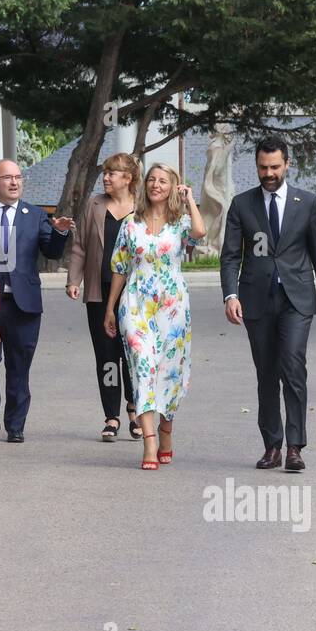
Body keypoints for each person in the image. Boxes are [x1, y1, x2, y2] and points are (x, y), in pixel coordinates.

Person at [220, 136, 316, 472]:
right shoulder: (242, 204)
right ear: (256, 167)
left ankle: (295, 447)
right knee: (267, 373)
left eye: (274, 167)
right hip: (256, 302)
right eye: (263, 167)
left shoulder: (308, 202)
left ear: (286, 164)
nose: (269, 173)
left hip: (296, 301)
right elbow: (230, 256)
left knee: (293, 366)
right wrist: (230, 295)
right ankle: (272, 446)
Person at [105, 163, 206, 470]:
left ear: (173, 186)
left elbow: (201, 233)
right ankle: (149, 441)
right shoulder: (131, 223)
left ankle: (166, 431)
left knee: (169, 373)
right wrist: (110, 307)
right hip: (136, 304)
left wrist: (188, 199)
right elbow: (120, 267)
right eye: (151, 179)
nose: (156, 185)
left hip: (172, 310)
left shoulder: (180, 223)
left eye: (163, 181)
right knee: (142, 365)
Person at [0, 159, 73, 444]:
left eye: (18, 177)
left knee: (19, 365)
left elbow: (52, 253)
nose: (14, 182)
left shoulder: (35, 215)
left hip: (23, 304)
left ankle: (15, 424)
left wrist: (60, 232)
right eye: (7, 178)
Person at [66, 152, 143, 442]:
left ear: (129, 178)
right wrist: (74, 279)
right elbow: (80, 246)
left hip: (135, 294)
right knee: (107, 357)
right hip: (100, 292)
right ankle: (111, 415)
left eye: (112, 173)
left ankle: (134, 410)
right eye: (106, 173)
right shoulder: (95, 205)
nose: (106, 177)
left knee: (133, 355)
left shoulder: (144, 207)